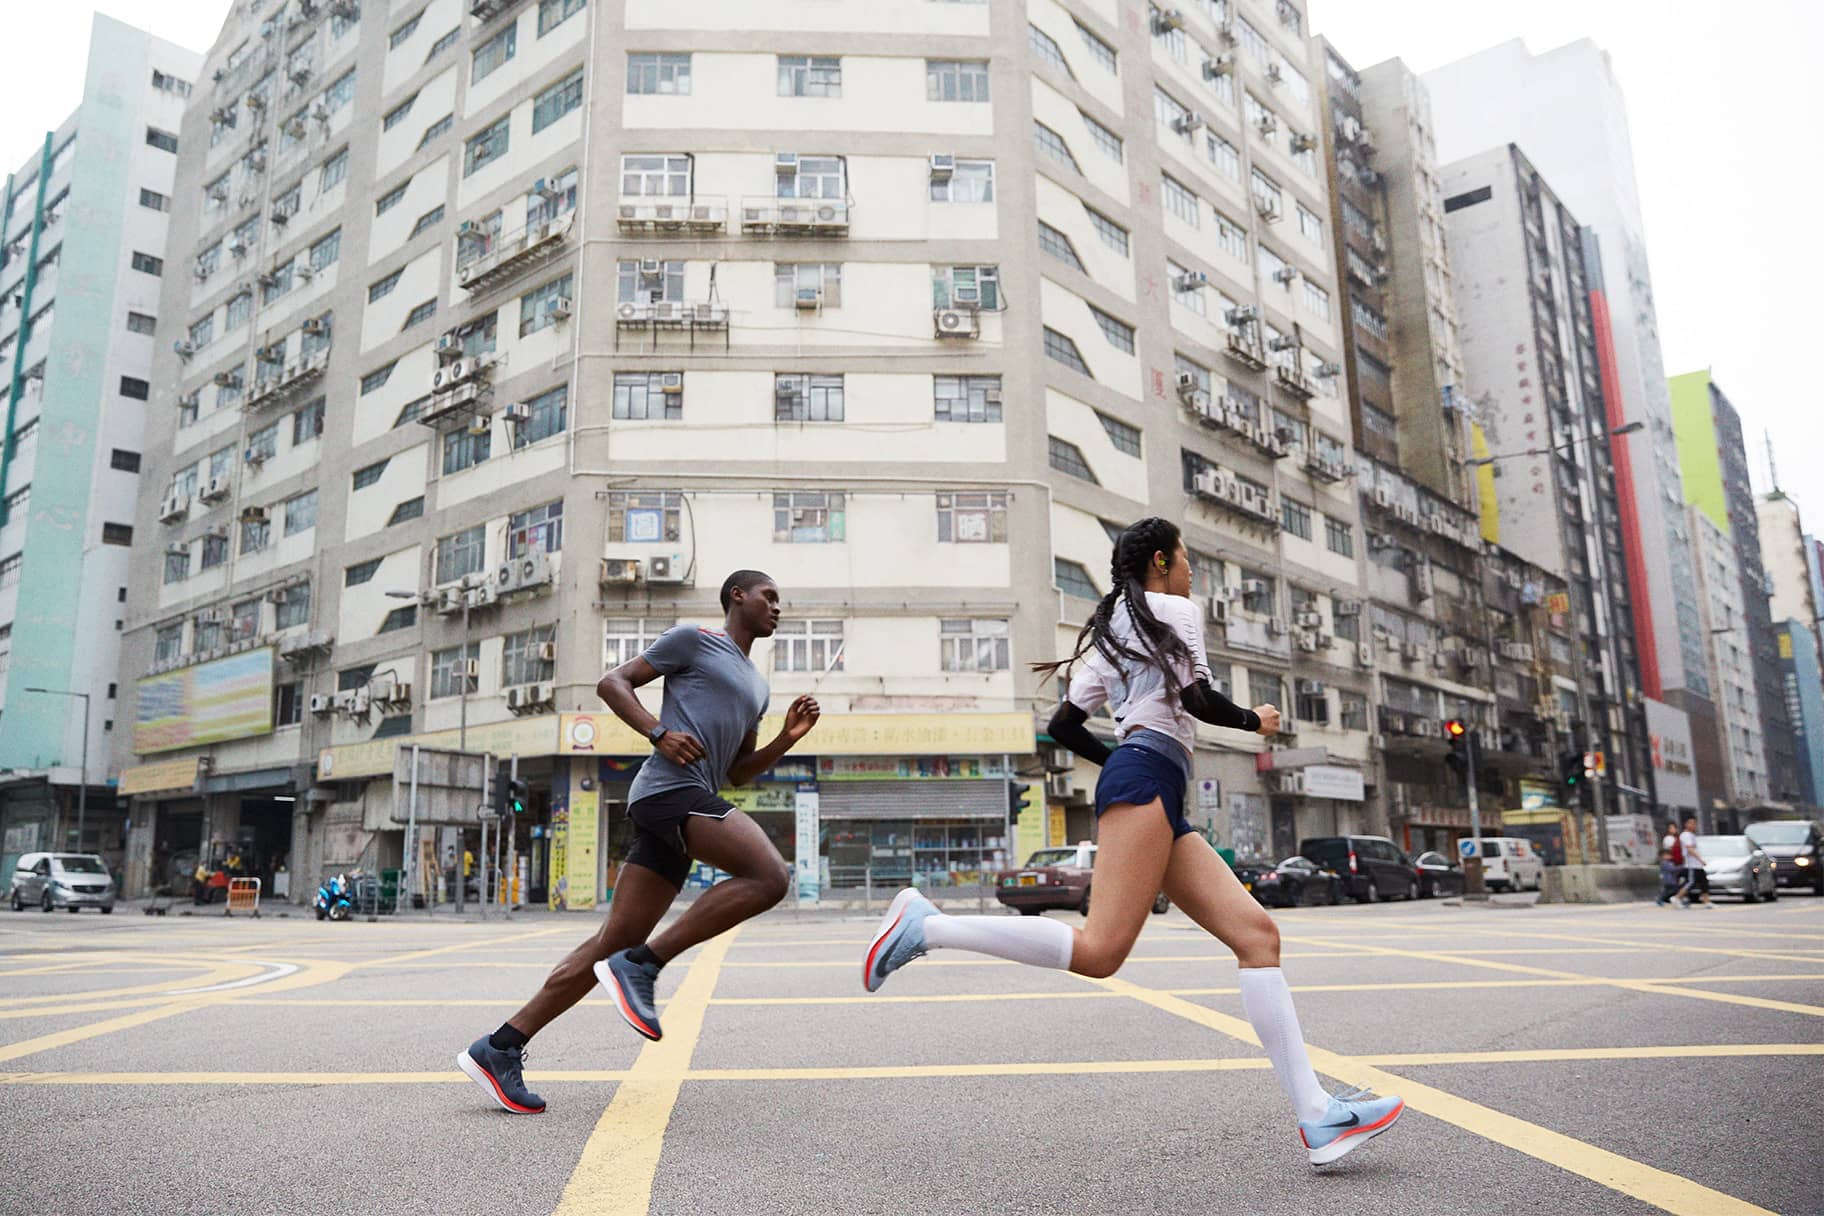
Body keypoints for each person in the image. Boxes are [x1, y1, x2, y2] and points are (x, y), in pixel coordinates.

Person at [860, 517, 1404, 1166]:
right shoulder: (1173, 609)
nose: (1192, 570)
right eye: (1186, 558)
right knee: (1100, 952)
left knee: (1258, 937)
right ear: (1159, 560)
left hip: (1150, 779)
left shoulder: (1111, 639)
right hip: (1148, 775)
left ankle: (1317, 1116)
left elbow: (1065, 725)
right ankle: (928, 927)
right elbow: (1198, 701)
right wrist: (1252, 720)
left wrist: (1121, 754)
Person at [459, 570, 820, 1114]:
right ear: (736, 596)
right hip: (666, 791)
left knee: (609, 943)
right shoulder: (694, 641)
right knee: (770, 877)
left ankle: (500, 1046)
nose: (777, 607)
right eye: (769, 596)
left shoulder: (758, 686)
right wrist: (658, 732)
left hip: (686, 798)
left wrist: (785, 740)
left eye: (780, 600)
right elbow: (613, 683)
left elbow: (738, 773)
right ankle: (645, 966)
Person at [1678, 816, 1714, 908]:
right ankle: (1677, 897)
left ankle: (1707, 902)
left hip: (1697, 865)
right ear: (1686, 824)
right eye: (1691, 823)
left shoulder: (1691, 835)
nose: (1694, 825)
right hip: (1692, 864)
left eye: (1694, 823)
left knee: (1704, 882)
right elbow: (1689, 849)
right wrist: (1700, 860)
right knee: (1691, 883)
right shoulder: (1685, 835)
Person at [1658, 821, 1688, 909]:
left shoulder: (1678, 838)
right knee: (1672, 887)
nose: (1673, 830)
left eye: (1674, 828)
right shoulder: (1668, 839)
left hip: (1676, 862)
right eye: (1671, 828)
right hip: (1674, 865)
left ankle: (1678, 899)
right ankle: (1676, 899)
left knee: (1676, 885)